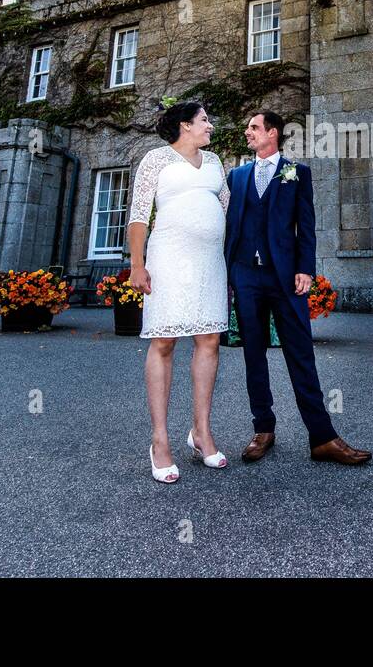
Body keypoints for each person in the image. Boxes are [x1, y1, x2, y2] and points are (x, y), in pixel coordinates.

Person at [223, 110, 372, 466]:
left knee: (300, 353)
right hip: (246, 276)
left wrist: (305, 268)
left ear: (272, 133)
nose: (248, 132)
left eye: (254, 127)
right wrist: (228, 273)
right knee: (253, 354)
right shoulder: (237, 176)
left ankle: (322, 437)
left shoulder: (294, 172)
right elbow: (229, 224)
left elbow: (306, 226)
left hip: (284, 277)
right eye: (248, 127)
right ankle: (263, 429)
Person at [128, 102, 231, 483]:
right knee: (165, 342)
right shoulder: (155, 160)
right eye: (205, 119)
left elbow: (225, 209)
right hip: (168, 258)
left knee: (209, 340)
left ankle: (201, 432)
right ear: (185, 125)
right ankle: (160, 441)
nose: (210, 125)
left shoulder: (216, 162)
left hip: (209, 263)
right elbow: (139, 216)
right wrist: (137, 265)